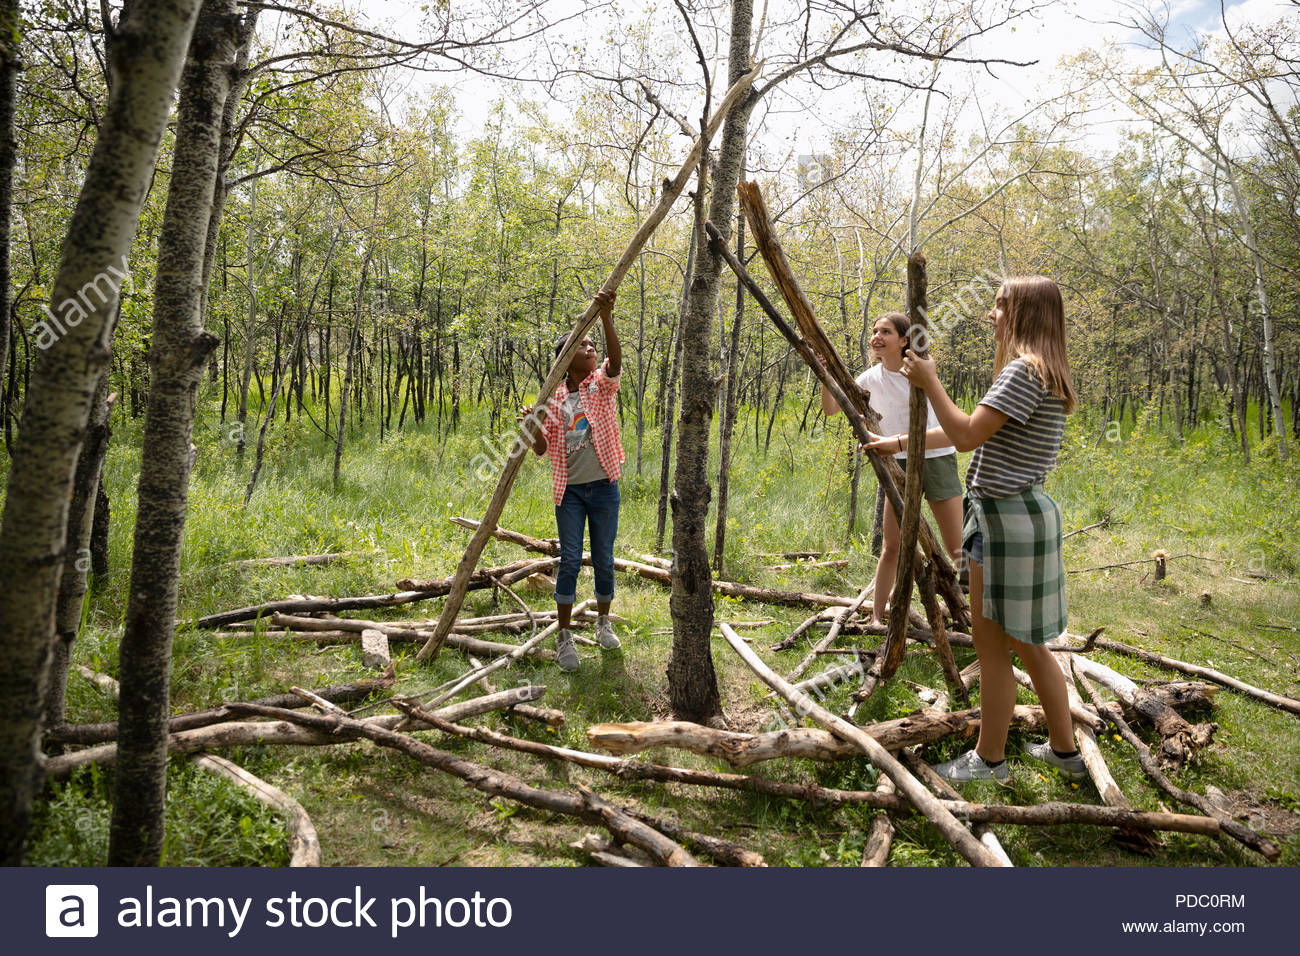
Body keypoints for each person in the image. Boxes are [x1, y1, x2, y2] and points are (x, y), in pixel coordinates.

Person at [880, 275, 1084, 784]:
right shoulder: (1048, 372)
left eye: (1000, 306)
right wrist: (900, 441)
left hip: (1001, 521)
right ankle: (1065, 752)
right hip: (1028, 515)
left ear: (1025, 314)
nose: (990, 314)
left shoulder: (1021, 372)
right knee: (1031, 645)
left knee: (992, 649)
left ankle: (988, 760)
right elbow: (973, 425)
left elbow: (967, 436)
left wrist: (929, 381)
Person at [822, 312, 964, 625]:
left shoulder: (922, 374)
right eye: (874, 331)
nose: (876, 336)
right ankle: (877, 617)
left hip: (936, 458)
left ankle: (977, 614)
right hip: (898, 464)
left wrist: (896, 443)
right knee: (892, 547)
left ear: (904, 340)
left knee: (957, 548)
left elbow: (952, 432)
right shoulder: (869, 378)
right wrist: (824, 373)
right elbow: (831, 409)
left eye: (885, 331)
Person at [520, 290, 625, 672]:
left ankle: (602, 622)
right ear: (566, 359)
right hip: (570, 493)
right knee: (568, 560)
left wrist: (607, 317)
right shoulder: (554, 396)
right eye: (582, 344)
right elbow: (540, 449)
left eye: (592, 342)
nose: (591, 346)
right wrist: (532, 426)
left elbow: (616, 362)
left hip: (604, 488)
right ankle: (564, 636)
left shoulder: (600, 385)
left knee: (603, 558)